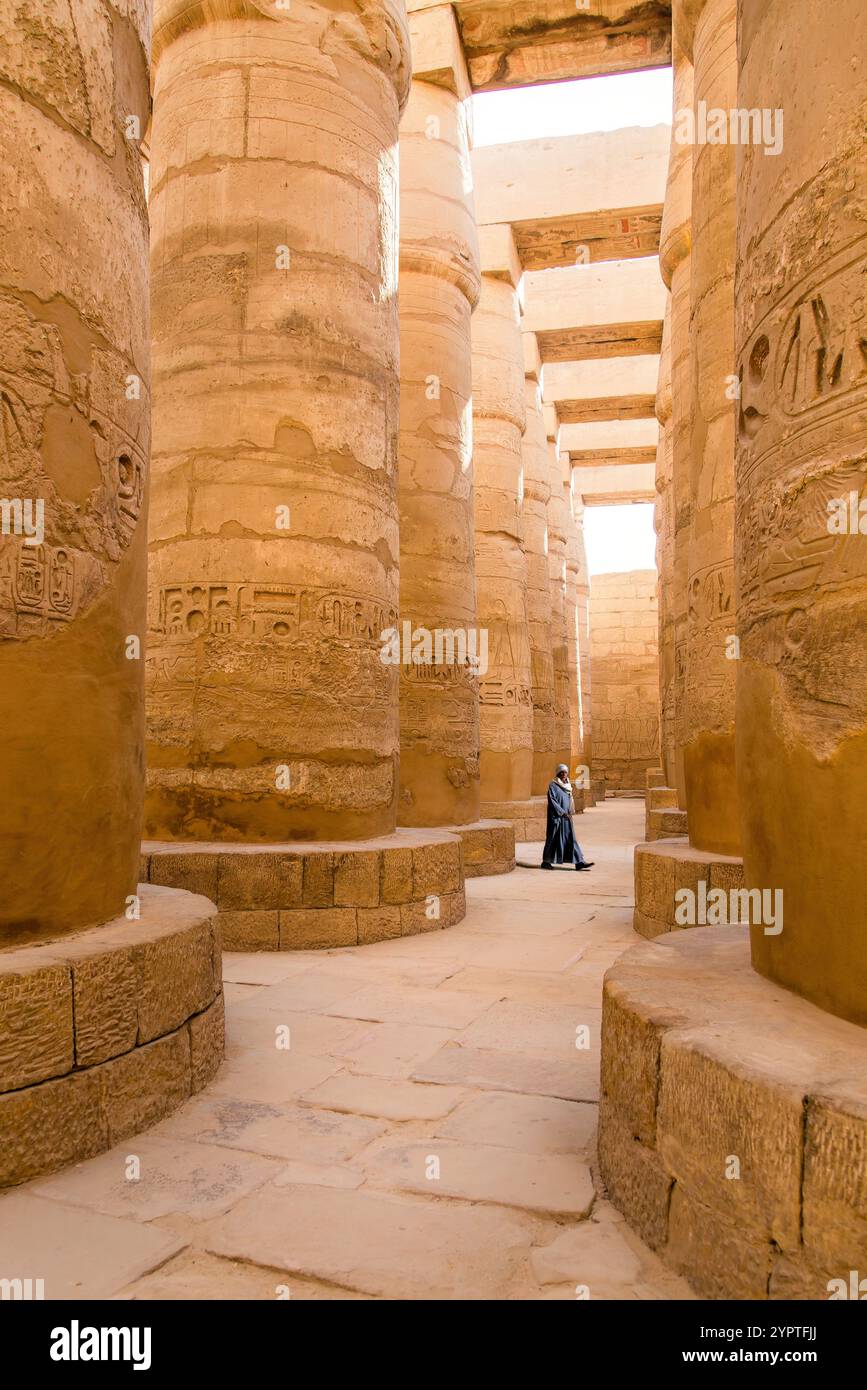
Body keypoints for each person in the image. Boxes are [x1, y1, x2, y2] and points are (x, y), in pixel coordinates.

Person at [541, 764, 594, 871]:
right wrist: (562, 812)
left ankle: (579, 862)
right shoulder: (553, 785)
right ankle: (546, 861)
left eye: (565, 772)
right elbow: (552, 801)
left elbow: (569, 800)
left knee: (571, 839)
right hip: (556, 818)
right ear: (558, 774)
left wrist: (569, 811)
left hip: (567, 817)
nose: (564, 774)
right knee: (553, 839)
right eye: (562, 772)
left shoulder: (567, 785)